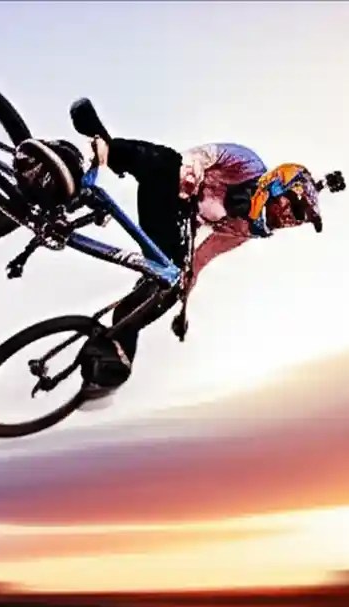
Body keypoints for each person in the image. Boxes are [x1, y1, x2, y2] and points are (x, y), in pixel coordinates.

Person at [76, 136, 333, 406]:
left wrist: (183, 303)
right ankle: (93, 154)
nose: (288, 220)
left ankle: (114, 352)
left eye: (296, 221)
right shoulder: (246, 163)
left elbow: (201, 259)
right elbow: (202, 156)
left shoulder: (241, 231)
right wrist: (190, 175)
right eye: (292, 209)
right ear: (278, 184)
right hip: (169, 186)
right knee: (168, 162)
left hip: (170, 225)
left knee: (172, 281)